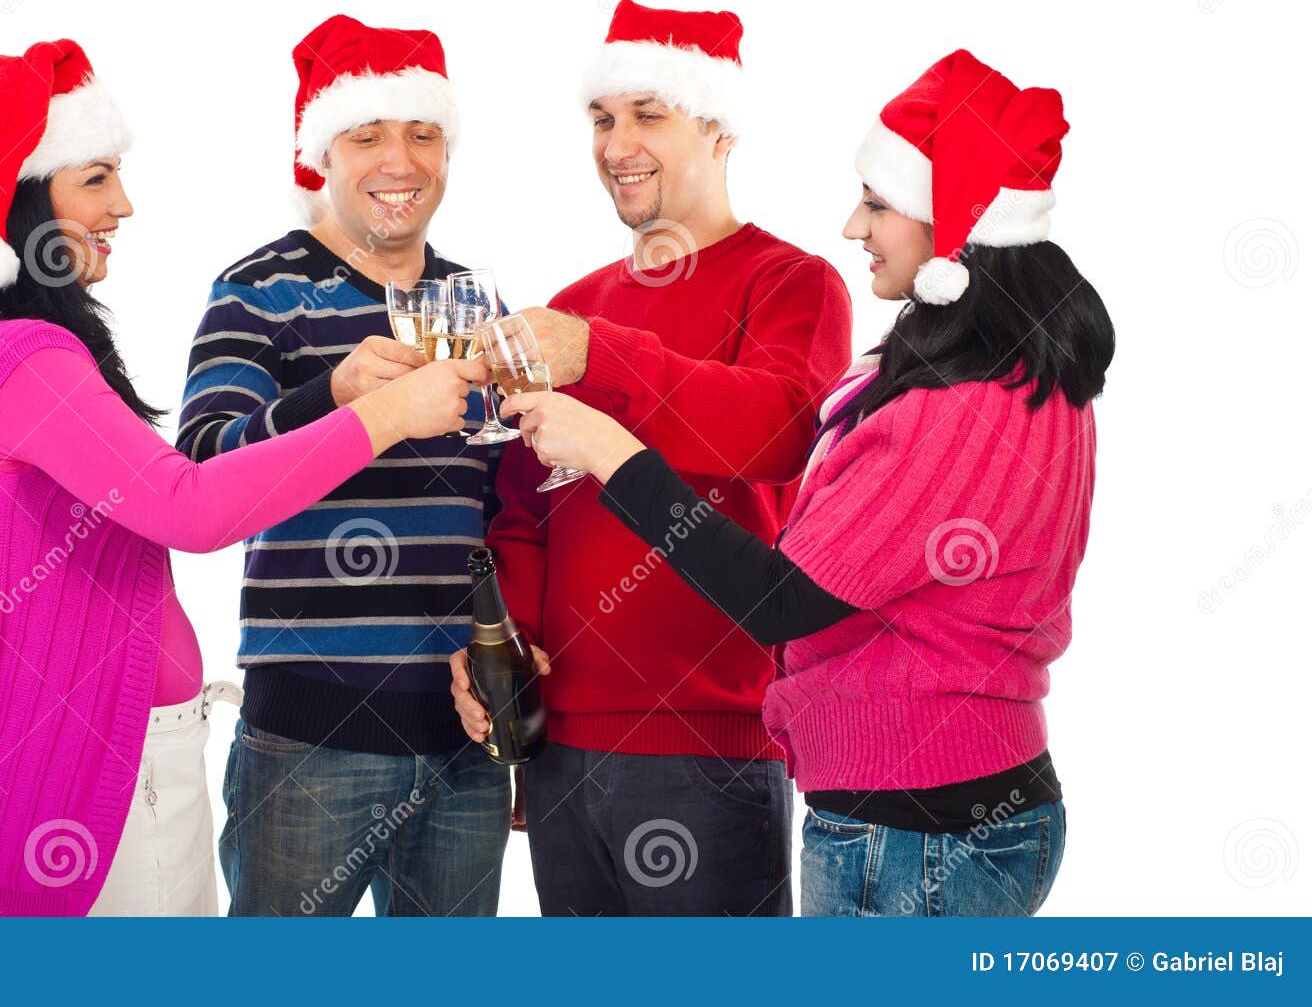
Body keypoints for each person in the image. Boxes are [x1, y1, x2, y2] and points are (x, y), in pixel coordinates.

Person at [469, 49, 1115, 917]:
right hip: (836, 797)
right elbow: (523, 506)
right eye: (601, 118)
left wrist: (610, 433)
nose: (854, 227)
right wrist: (518, 671)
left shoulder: (935, 383)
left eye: (879, 204)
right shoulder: (953, 373)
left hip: (891, 806)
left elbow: (779, 515)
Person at [0, 38, 479, 917]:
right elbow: (191, 503)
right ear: (23, 196)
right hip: (107, 771)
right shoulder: (21, 355)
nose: (123, 204)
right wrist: (383, 415)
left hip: (90, 762)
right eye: (96, 178)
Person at [455, 0, 853, 916]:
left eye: (648, 114)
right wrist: (498, 648)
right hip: (563, 750)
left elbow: (781, 427)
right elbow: (523, 510)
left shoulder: (792, 282)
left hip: (709, 748)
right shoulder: (575, 303)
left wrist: (600, 355)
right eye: (602, 118)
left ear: (717, 128)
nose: (616, 142)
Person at [175, 16, 510, 916]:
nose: (399, 160)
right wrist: (334, 393)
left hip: (465, 743)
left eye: (422, 133)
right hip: (309, 742)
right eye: (367, 135)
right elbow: (202, 466)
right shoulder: (259, 288)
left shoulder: (475, 300)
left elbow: (507, 505)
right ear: (322, 150)